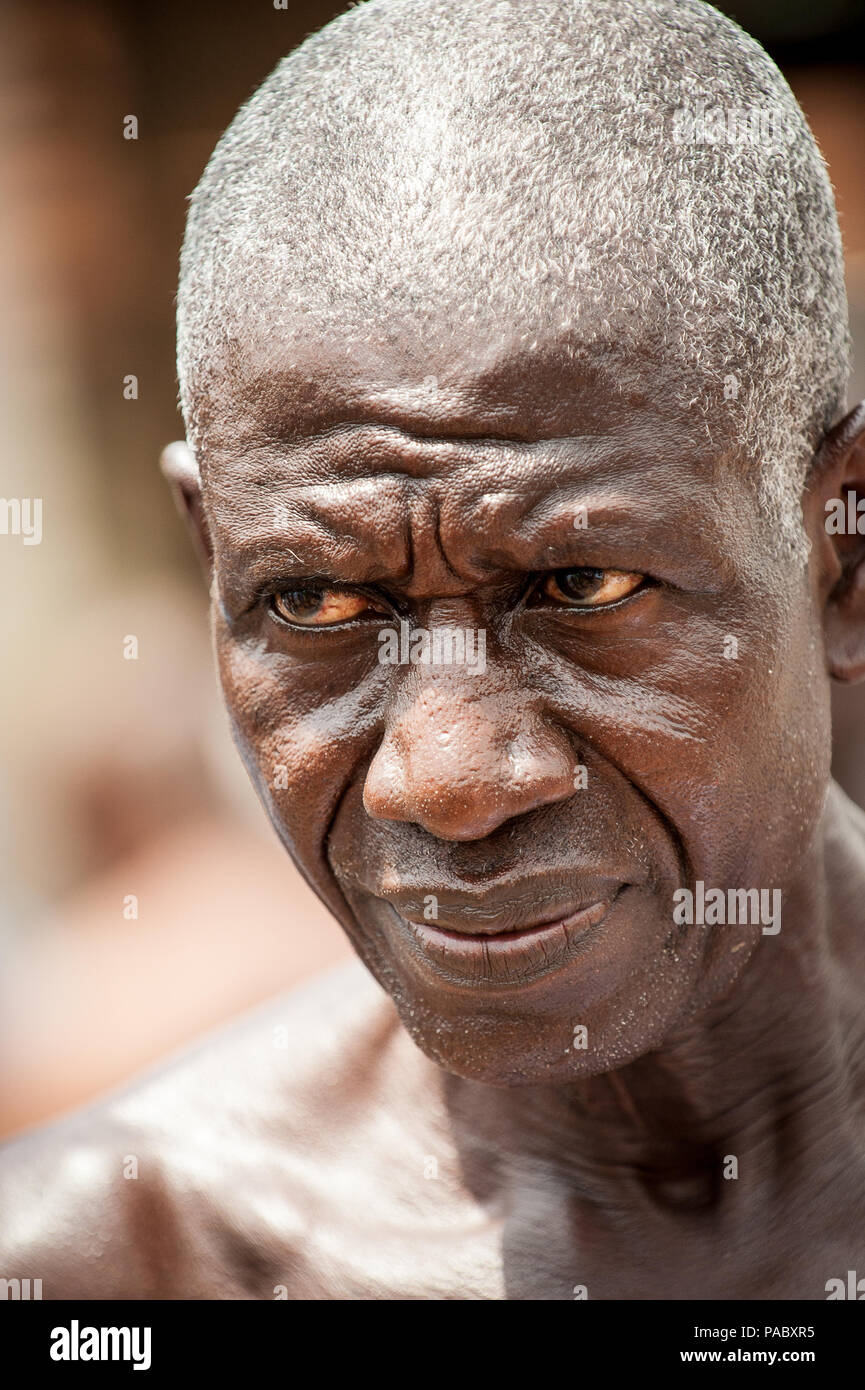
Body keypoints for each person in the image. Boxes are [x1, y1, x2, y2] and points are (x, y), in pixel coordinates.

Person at [2, 0, 865, 1300]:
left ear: (840, 556)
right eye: (315, 605)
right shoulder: (120, 1264)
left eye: (579, 583)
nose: (444, 774)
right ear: (211, 562)